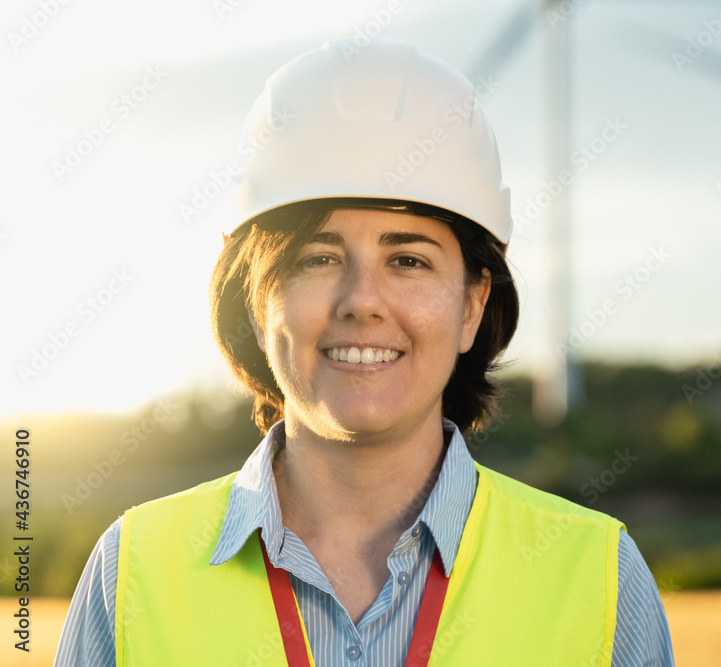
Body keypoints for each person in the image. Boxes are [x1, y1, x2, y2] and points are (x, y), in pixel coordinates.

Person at [54, 37, 674, 666]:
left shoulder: (602, 582)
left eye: (408, 260)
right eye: (317, 259)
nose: (362, 301)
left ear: (471, 307)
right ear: (254, 299)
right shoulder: (128, 574)